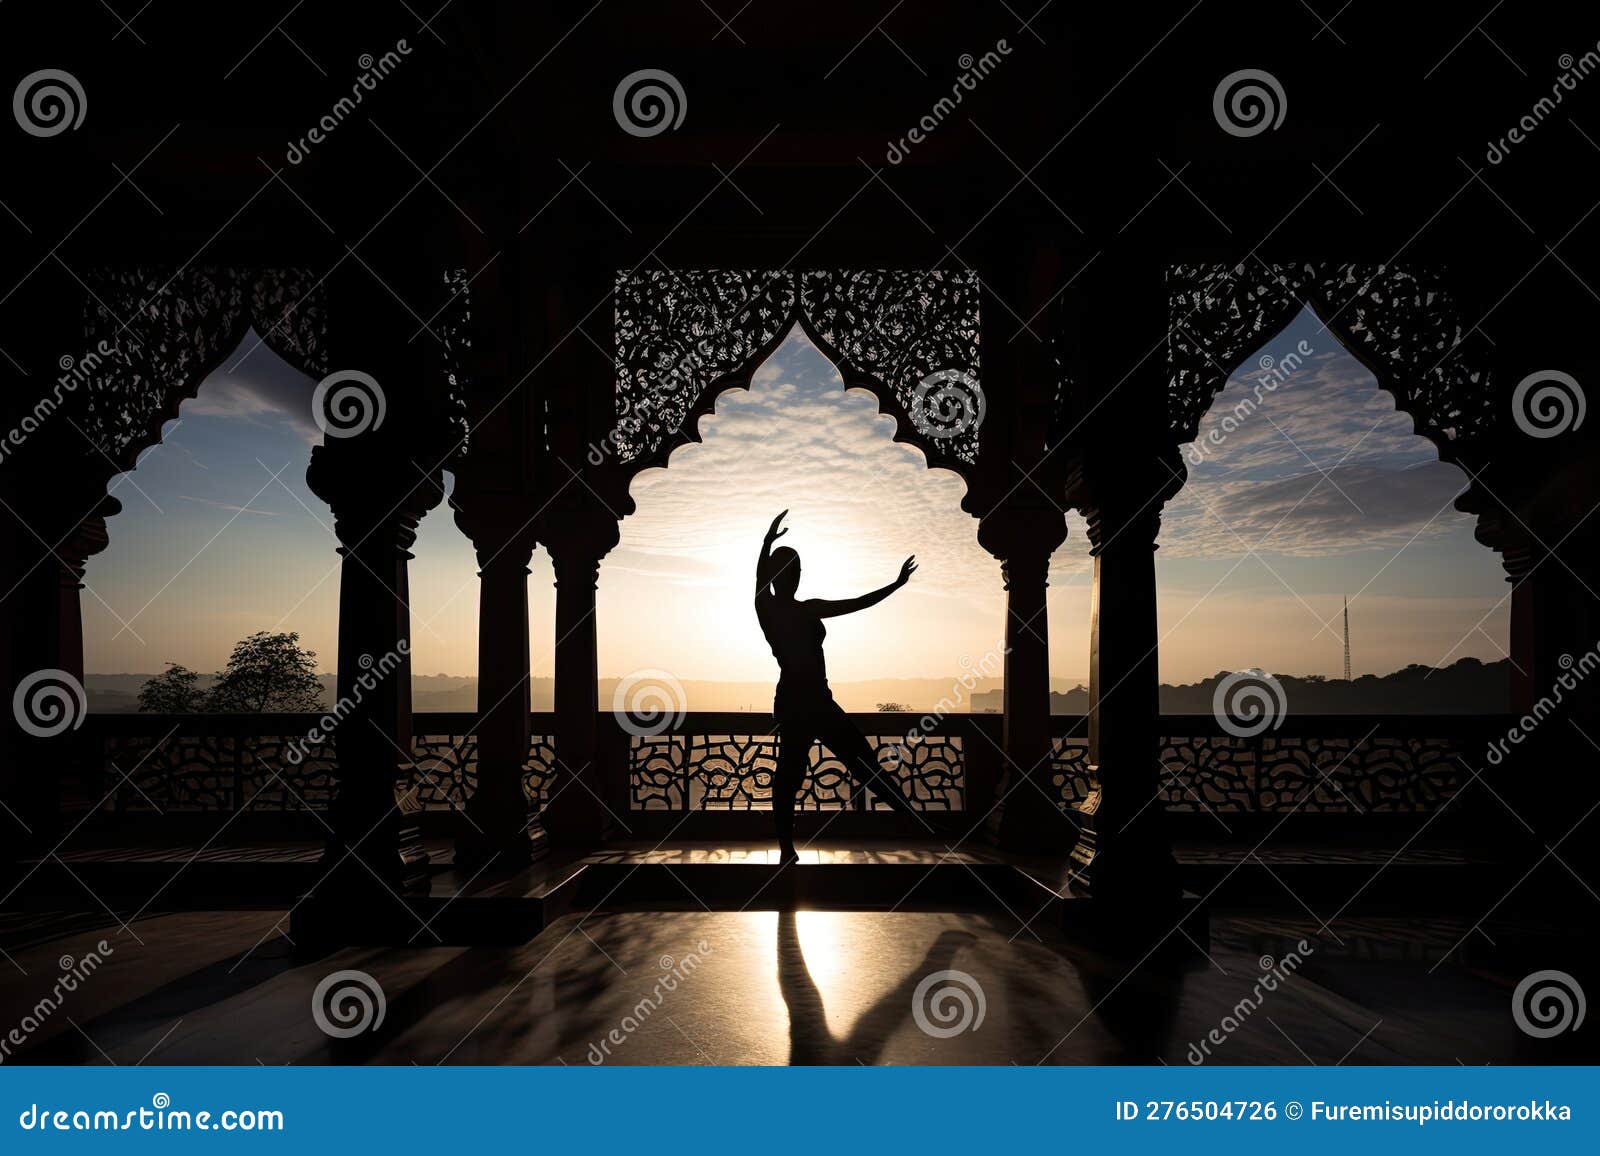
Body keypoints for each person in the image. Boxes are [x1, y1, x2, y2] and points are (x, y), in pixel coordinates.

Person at [754, 510, 920, 864]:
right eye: (791, 572)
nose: (796, 578)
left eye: (799, 571)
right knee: (791, 774)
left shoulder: (807, 608)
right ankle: (786, 848)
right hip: (798, 704)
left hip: (819, 701)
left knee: (862, 761)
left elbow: (855, 604)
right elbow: (757, 581)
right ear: (777, 576)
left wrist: (894, 585)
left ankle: (914, 821)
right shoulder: (768, 609)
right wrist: (767, 543)